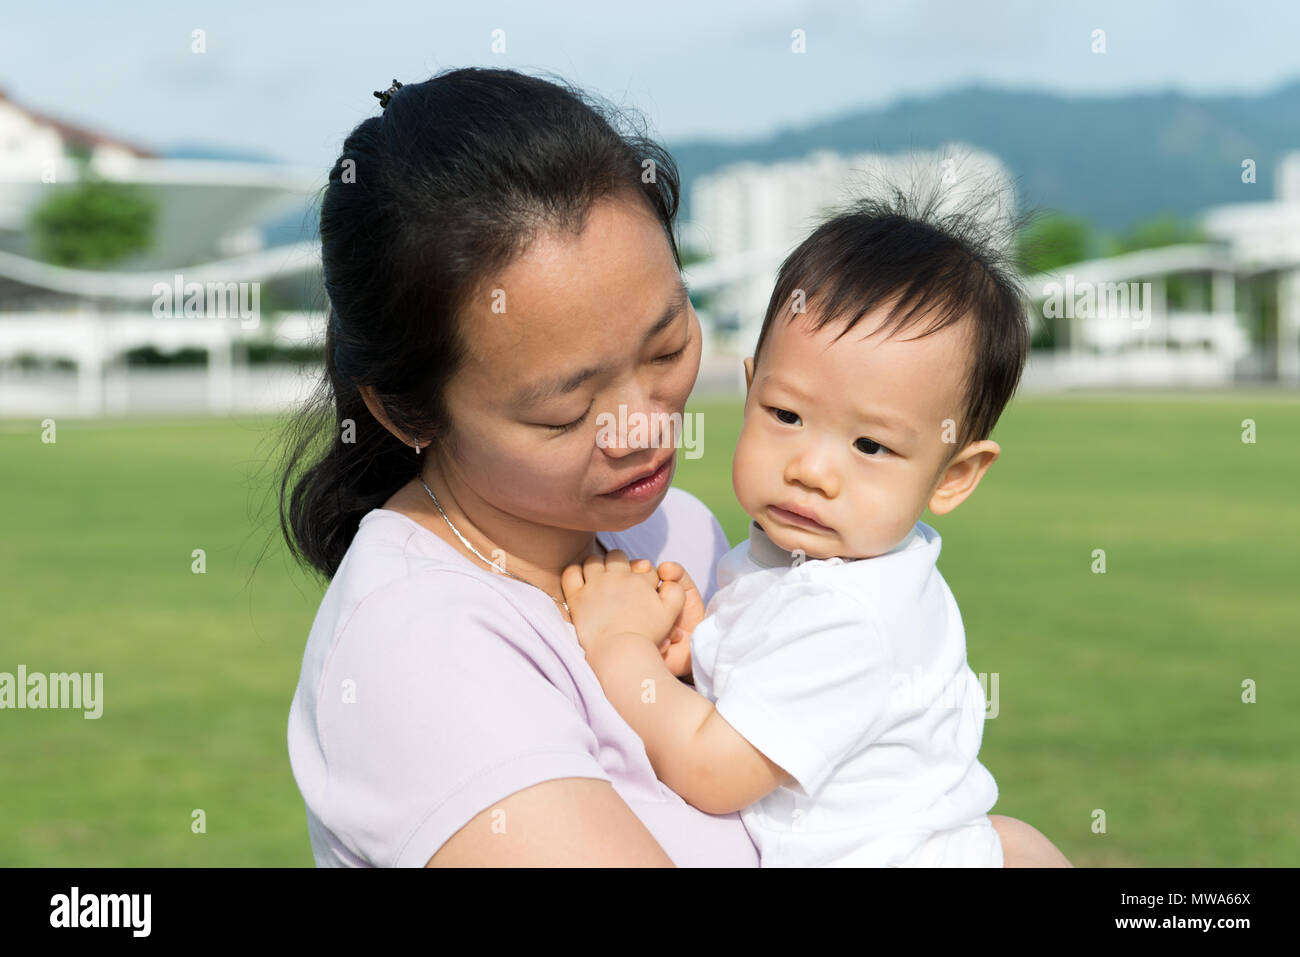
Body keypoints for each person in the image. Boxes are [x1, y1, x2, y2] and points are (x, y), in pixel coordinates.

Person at [281, 66, 1068, 867]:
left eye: (667, 347)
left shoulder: (676, 529)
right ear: (406, 410)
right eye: (565, 408)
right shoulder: (417, 649)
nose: (643, 426)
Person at [560, 188, 1075, 867]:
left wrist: (621, 647)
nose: (811, 469)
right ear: (750, 390)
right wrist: (702, 641)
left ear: (953, 474)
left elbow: (715, 769)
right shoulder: (836, 559)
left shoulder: (850, 613)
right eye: (786, 415)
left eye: (871, 447)